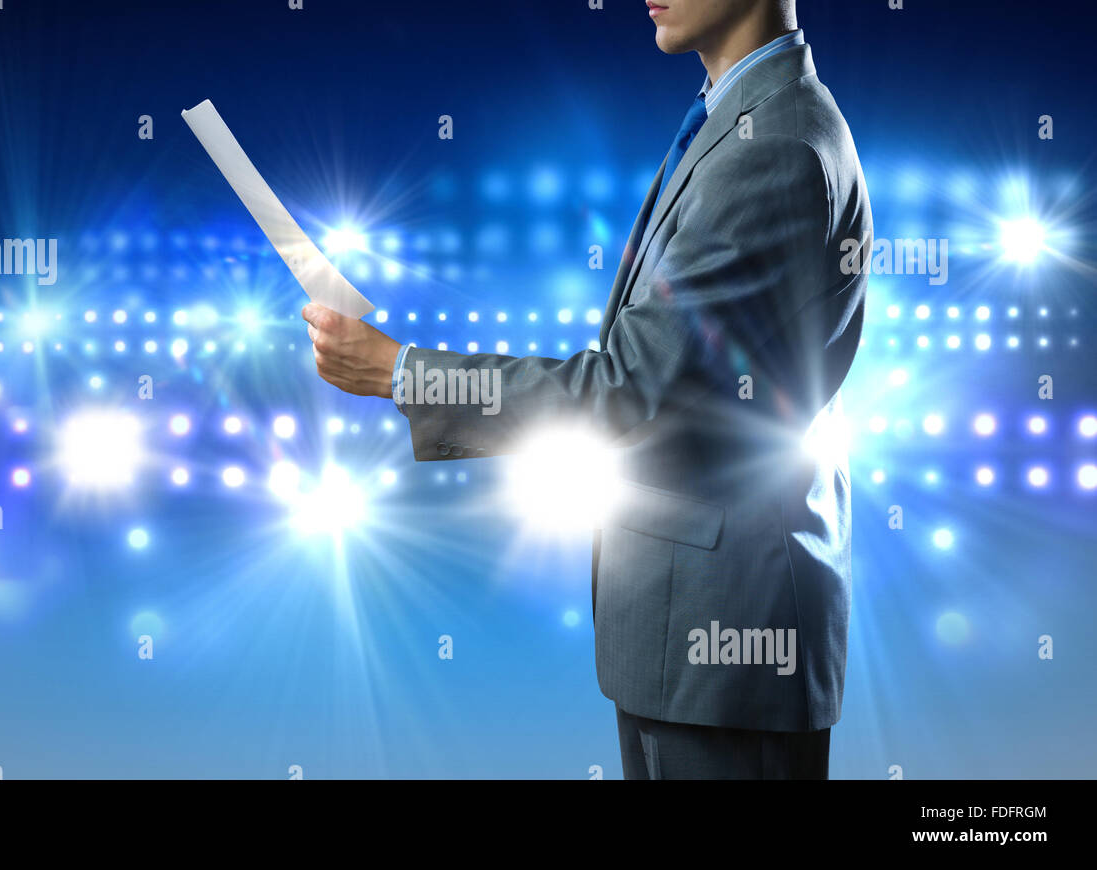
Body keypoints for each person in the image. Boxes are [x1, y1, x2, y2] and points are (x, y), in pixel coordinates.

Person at [301, 0, 870, 779]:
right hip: (693, 638)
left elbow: (630, 392)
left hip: (728, 651)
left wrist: (406, 373)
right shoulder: (741, 118)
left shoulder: (769, 144)